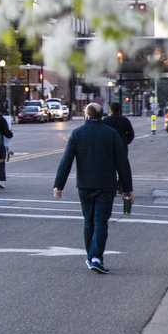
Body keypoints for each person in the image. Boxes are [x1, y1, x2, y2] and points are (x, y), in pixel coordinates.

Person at [54, 103, 133, 273]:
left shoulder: (77, 133)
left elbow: (66, 160)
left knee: (89, 222)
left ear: (87, 115)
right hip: (106, 185)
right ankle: (96, 257)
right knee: (100, 221)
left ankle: (91, 257)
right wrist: (127, 188)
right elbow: (122, 163)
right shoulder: (111, 134)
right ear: (101, 115)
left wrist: (58, 185)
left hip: (84, 185)